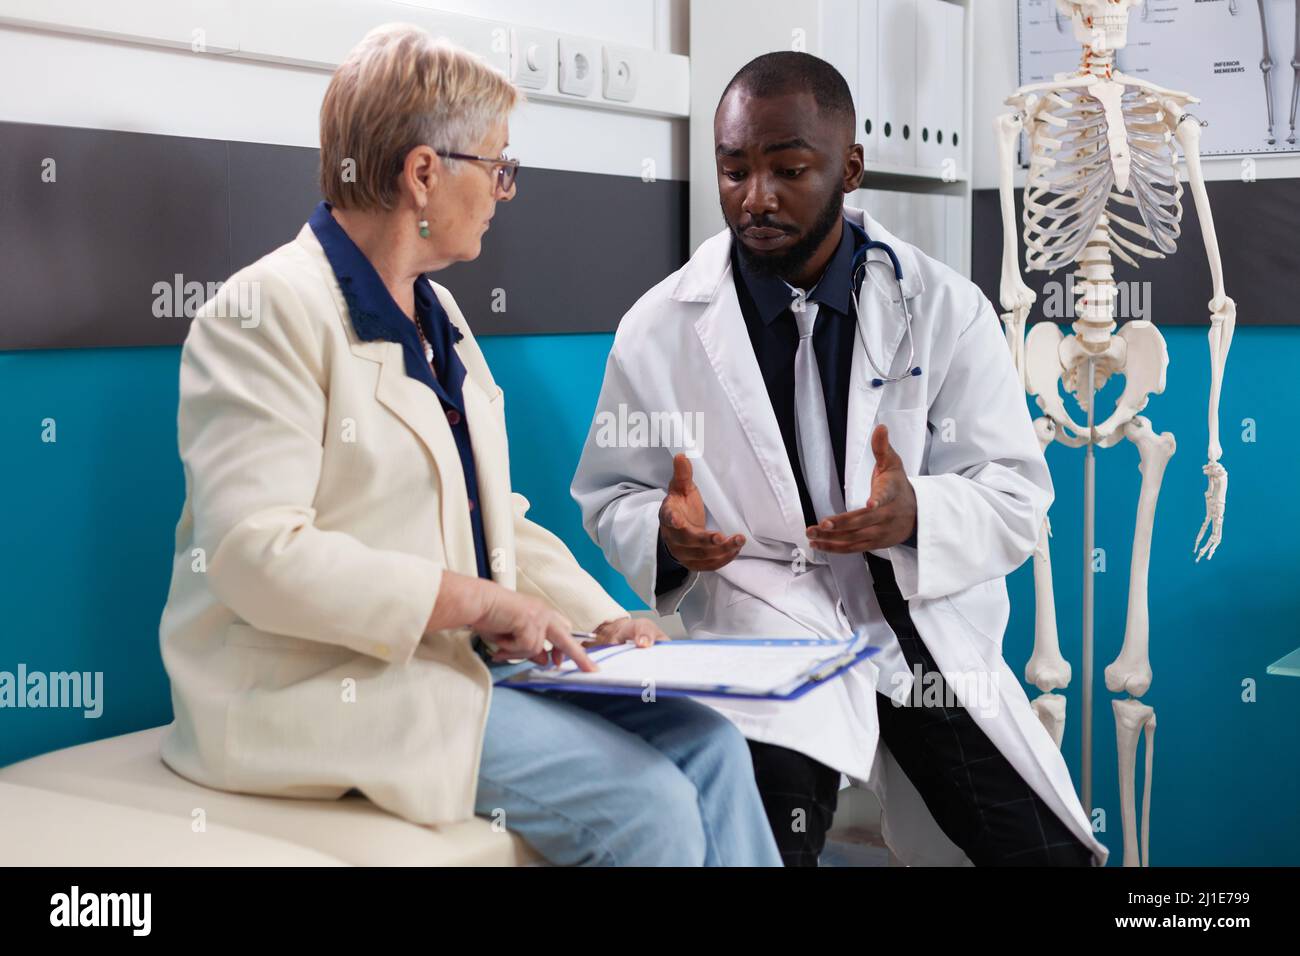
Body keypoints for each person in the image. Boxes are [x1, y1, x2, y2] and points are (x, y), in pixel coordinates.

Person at [157, 23, 781, 867]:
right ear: (423, 174)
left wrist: (604, 620)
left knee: (711, 745)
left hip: (450, 669)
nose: (504, 191)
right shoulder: (263, 313)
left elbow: (497, 524)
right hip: (308, 693)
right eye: (498, 167)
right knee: (647, 806)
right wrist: (479, 604)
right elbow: (253, 554)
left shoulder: (434, 315)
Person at [572, 51, 1109, 867]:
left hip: (918, 636)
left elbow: (1016, 496)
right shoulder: (658, 329)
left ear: (849, 168)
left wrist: (918, 512)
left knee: (1043, 855)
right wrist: (663, 534)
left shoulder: (944, 309)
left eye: (788, 169)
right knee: (763, 844)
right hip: (768, 636)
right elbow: (612, 495)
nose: (755, 199)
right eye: (733, 170)